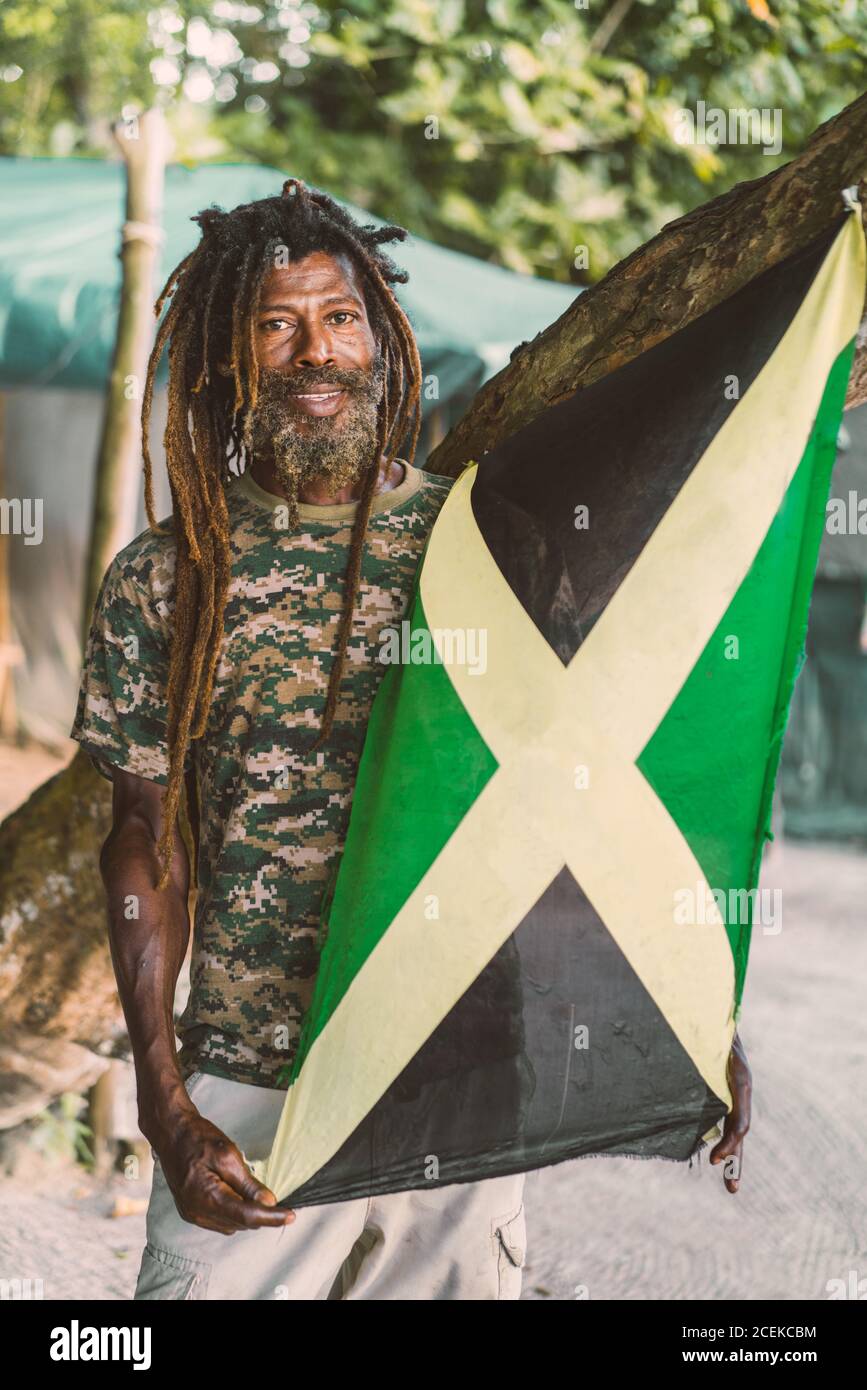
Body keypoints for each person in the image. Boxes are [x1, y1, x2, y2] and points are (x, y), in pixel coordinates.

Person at [70, 179, 750, 1302]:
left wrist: (687, 1005)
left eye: (339, 317)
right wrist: (163, 1102)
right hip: (252, 1095)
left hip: (457, 1075)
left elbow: (581, 794)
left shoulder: (480, 546)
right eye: (275, 324)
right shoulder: (168, 574)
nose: (314, 351)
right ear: (230, 360)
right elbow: (144, 843)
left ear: (380, 335)